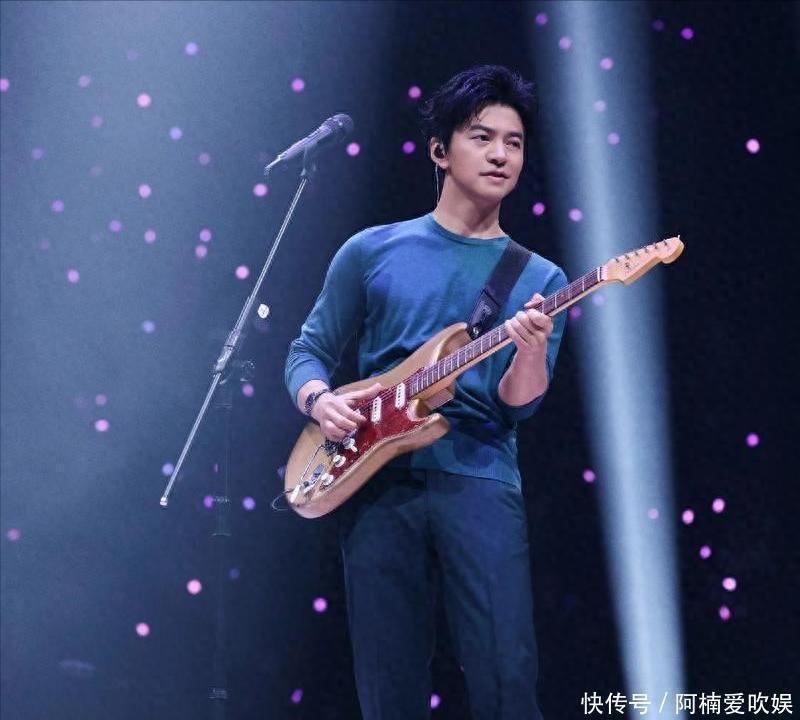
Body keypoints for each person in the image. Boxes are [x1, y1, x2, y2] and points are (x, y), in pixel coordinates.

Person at [284, 65, 567, 720]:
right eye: (482, 137)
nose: (500, 154)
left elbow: (520, 404)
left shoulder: (539, 277)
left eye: (514, 142)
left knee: (506, 675)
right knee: (390, 686)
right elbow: (308, 350)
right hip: (378, 481)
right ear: (440, 150)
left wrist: (529, 348)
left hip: (480, 480)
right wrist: (320, 400)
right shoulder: (371, 250)